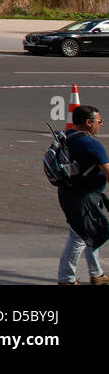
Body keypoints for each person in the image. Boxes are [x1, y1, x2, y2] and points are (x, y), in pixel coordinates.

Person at [56, 104, 109, 284]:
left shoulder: (66, 137)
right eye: (99, 121)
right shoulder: (91, 144)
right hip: (84, 198)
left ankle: (97, 274)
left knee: (90, 233)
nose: (100, 124)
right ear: (88, 122)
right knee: (78, 237)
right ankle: (66, 278)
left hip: (68, 193)